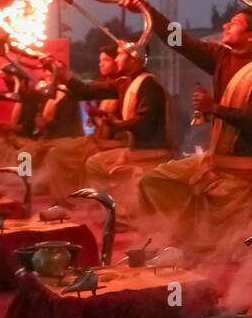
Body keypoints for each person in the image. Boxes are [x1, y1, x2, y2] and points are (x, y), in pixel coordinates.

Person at [125, 0, 252, 257]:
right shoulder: (221, 58)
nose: (226, 26)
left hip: (241, 170)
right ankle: (166, 238)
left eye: (234, 23)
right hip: (213, 162)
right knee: (152, 182)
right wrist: (147, 10)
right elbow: (180, 41)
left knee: (227, 252)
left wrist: (213, 108)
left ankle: (186, 247)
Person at [62, 43, 174, 219]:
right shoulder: (124, 84)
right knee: (95, 164)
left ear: (134, 58)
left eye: (120, 54)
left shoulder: (150, 86)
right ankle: (116, 208)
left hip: (151, 154)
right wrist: (66, 77)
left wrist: (117, 124)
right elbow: (86, 91)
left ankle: (123, 214)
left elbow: (144, 124)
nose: (116, 59)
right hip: (133, 151)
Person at [36, 45, 125, 200]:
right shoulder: (110, 84)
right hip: (99, 140)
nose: (101, 64)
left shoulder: (124, 85)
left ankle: (69, 200)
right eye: (100, 61)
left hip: (113, 143)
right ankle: (58, 197)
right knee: (49, 153)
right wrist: (97, 116)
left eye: (106, 60)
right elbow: (85, 93)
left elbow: (125, 124)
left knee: (57, 154)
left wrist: (100, 115)